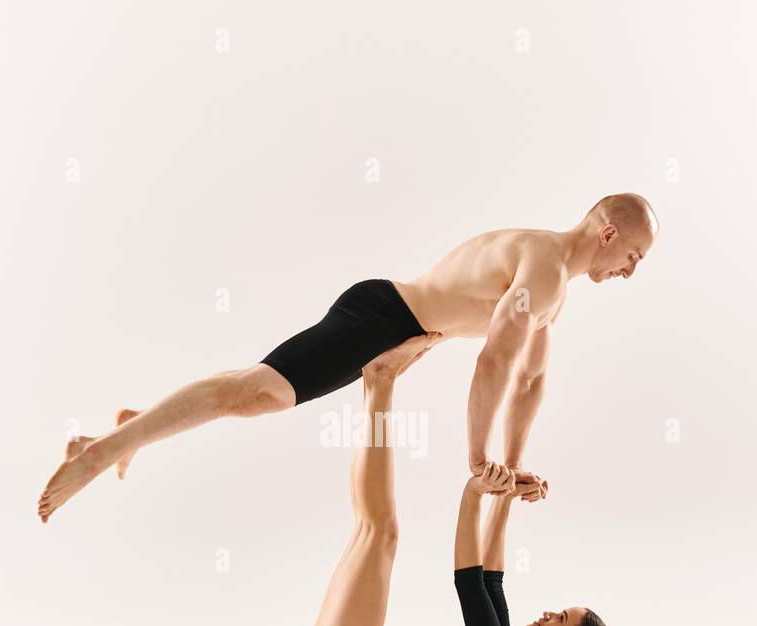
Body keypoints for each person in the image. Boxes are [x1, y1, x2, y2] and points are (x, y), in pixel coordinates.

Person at [37, 193, 658, 522]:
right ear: (608, 233)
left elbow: (530, 379)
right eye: (633, 256)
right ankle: (100, 450)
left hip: (390, 324)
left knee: (256, 392)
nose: (630, 272)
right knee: (260, 393)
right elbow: (495, 364)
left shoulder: (554, 290)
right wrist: (477, 457)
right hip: (383, 317)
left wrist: (514, 464)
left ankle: (132, 427)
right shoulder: (544, 267)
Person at [303, 335, 613, 626]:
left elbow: (468, 584)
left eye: (561, 619)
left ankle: (381, 380)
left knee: (381, 531)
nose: (550, 613)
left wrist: (473, 494)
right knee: (369, 528)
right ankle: (376, 382)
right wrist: (507, 490)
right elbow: (490, 580)